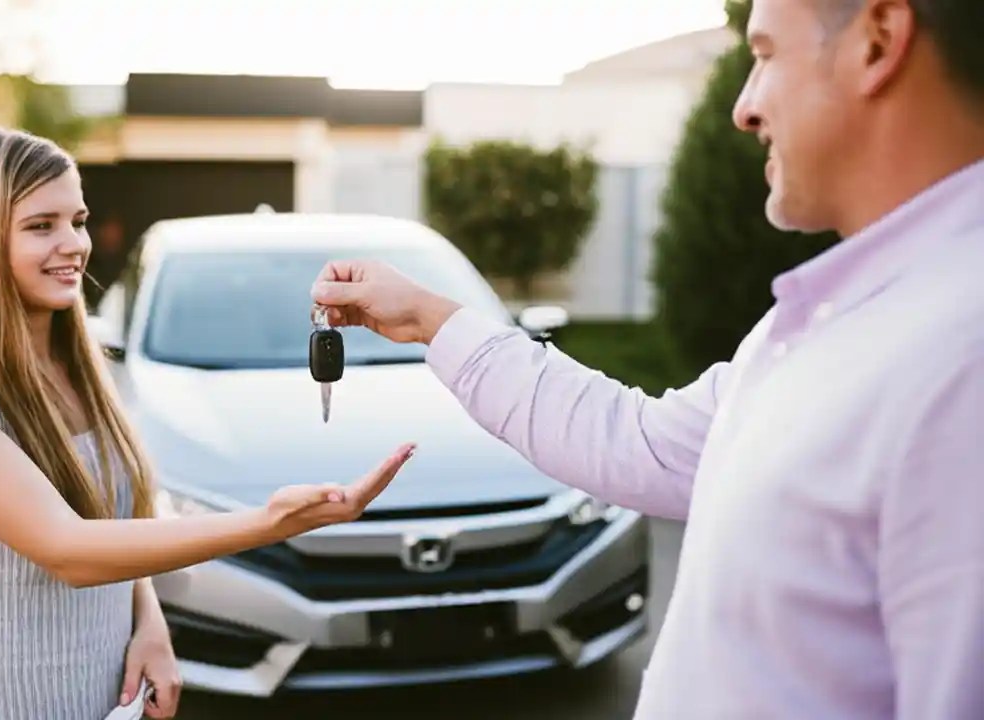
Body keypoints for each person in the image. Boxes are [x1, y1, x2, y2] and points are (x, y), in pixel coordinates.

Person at [311, 0, 984, 718]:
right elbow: (642, 444)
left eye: (764, 53)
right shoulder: (836, 318)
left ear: (877, 42)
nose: (744, 109)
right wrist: (427, 317)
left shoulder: (960, 366)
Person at [0, 127, 415, 720]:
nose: (74, 244)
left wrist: (150, 623)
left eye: (77, 220)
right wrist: (267, 524)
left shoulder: (80, 363)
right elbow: (67, 548)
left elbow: (119, 520)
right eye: (40, 226)